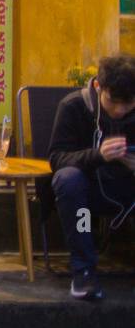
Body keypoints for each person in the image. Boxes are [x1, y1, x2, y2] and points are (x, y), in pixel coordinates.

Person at [47, 55, 135, 302]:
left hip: (126, 189)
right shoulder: (74, 106)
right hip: (86, 197)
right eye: (113, 102)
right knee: (68, 179)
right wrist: (98, 155)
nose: (119, 111)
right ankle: (84, 270)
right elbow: (56, 159)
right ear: (98, 87)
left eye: (127, 104)